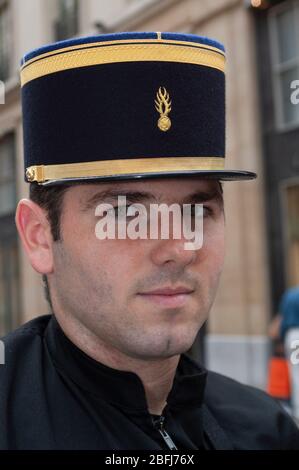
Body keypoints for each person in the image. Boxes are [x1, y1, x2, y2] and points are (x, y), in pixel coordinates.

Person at [0, 31, 298, 450]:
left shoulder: (265, 430)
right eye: (125, 213)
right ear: (39, 237)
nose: (178, 247)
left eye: (198, 210)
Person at [279, 286, 299, 423]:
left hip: (293, 337)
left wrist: (281, 337)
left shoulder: (289, 295)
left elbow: (282, 320)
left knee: (296, 374)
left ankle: (298, 410)